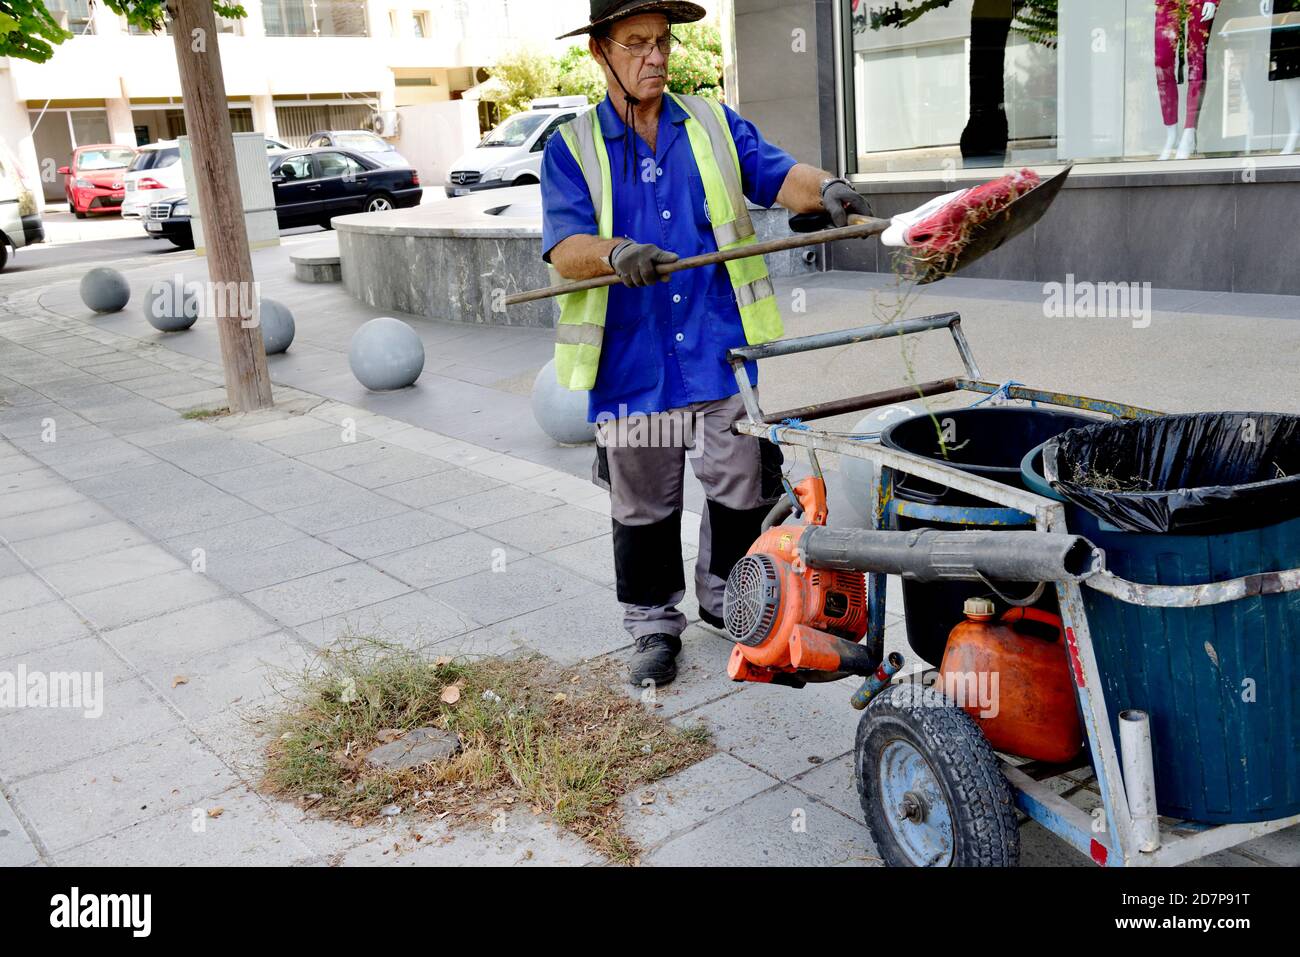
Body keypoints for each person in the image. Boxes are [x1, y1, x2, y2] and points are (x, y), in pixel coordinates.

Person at [542, 0, 873, 687]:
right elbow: (565, 250)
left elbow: (780, 176)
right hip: (632, 362)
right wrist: (617, 251)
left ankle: (726, 598)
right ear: (600, 51)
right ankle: (654, 625)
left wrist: (830, 188)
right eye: (636, 43)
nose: (655, 56)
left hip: (718, 351)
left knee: (741, 483)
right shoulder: (570, 147)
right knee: (643, 505)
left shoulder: (713, 125)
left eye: (661, 42)